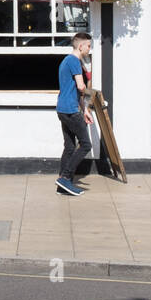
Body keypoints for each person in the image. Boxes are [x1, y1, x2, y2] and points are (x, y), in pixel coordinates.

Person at [56, 32, 94, 196]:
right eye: (88, 46)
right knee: (86, 144)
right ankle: (65, 177)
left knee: (70, 146)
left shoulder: (67, 61)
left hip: (63, 108)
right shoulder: (74, 61)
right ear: (81, 46)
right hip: (70, 110)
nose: (89, 49)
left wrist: (84, 109)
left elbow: (74, 90)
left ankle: (62, 185)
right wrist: (88, 90)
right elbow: (80, 87)